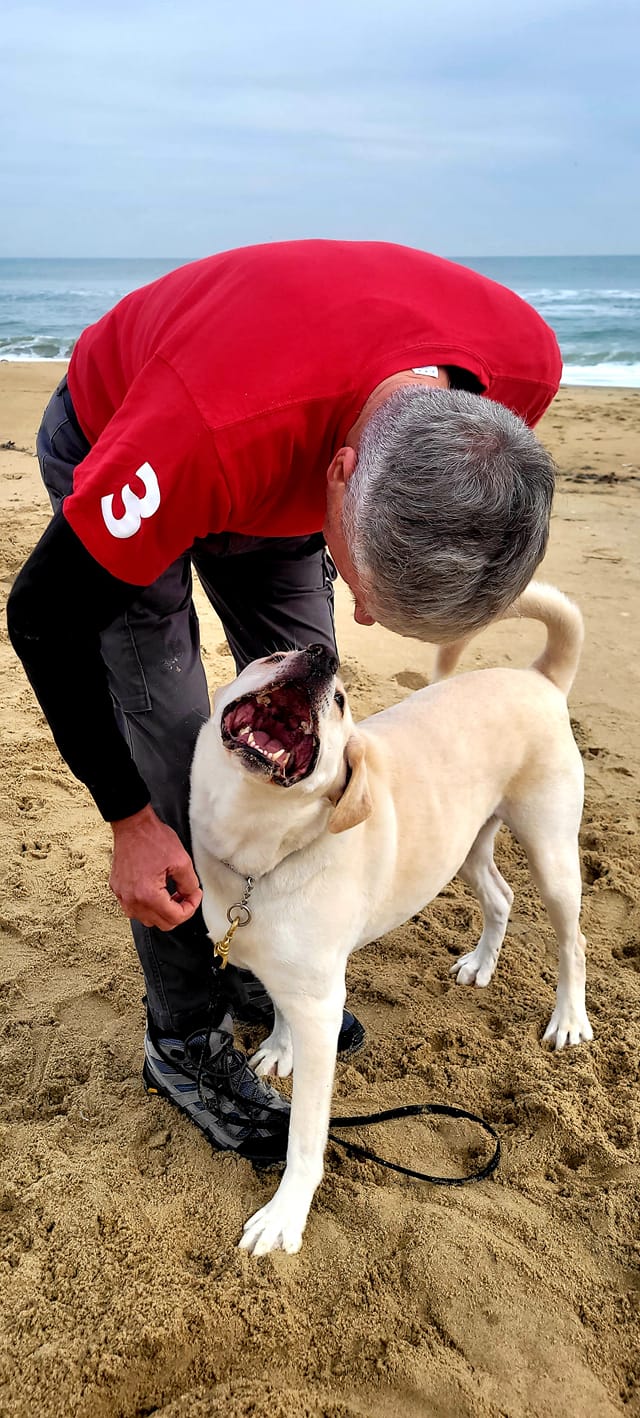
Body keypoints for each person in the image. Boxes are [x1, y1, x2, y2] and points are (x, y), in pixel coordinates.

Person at [7, 240, 561, 1164]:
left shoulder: (521, 371)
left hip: (288, 443)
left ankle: (263, 952)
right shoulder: (199, 433)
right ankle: (182, 1037)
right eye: (366, 586)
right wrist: (130, 822)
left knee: (300, 726)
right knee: (185, 746)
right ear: (341, 476)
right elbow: (40, 619)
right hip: (138, 435)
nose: (367, 618)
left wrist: (361, 559)